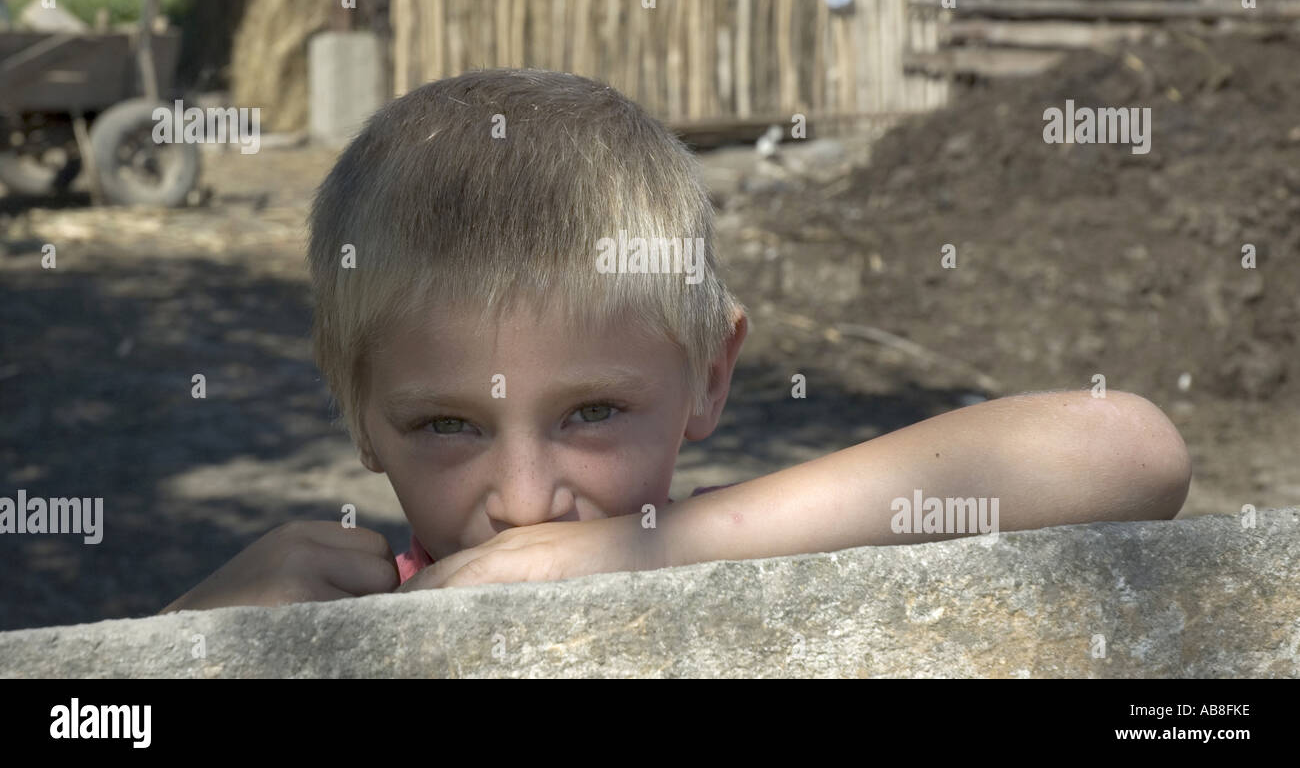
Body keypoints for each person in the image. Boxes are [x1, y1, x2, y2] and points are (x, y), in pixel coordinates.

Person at [160, 68, 1190, 612]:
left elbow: (1125, 451)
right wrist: (181, 645)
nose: (524, 500)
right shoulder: (346, 612)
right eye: (443, 423)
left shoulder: (737, 551)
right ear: (356, 409)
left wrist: (645, 546)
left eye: (593, 411)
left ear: (709, 373)